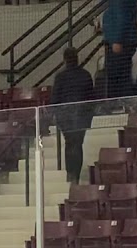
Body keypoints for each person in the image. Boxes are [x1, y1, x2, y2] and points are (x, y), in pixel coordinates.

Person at [51, 47, 94, 185]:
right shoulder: (85, 75)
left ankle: (71, 174)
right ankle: (75, 174)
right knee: (77, 145)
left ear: (64, 59)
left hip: (65, 117)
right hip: (81, 116)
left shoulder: (60, 77)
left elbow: (55, 100)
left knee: (70, 144)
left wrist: (57, 117)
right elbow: (91, 99)